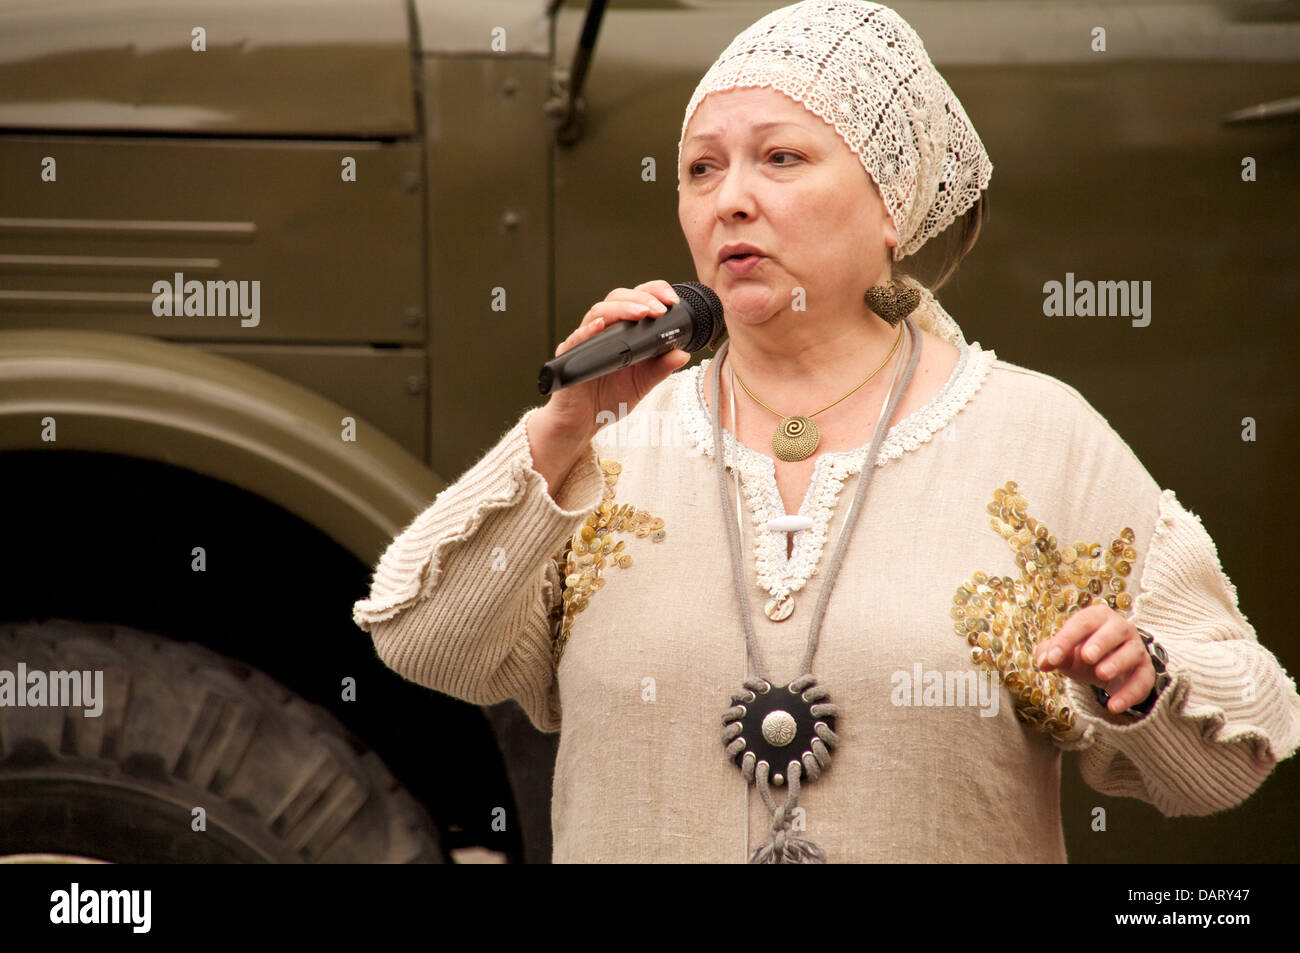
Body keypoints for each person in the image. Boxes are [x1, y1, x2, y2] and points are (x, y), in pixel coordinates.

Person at [353, 0, 1300, 863]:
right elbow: (424, 640)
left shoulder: (1034, 435)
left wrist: (1141, 680)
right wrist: (564, 426)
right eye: (701, 169)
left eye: (782, 157)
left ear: (891, 204)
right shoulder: (613, 439)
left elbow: (1231, 756)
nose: (729, 198)